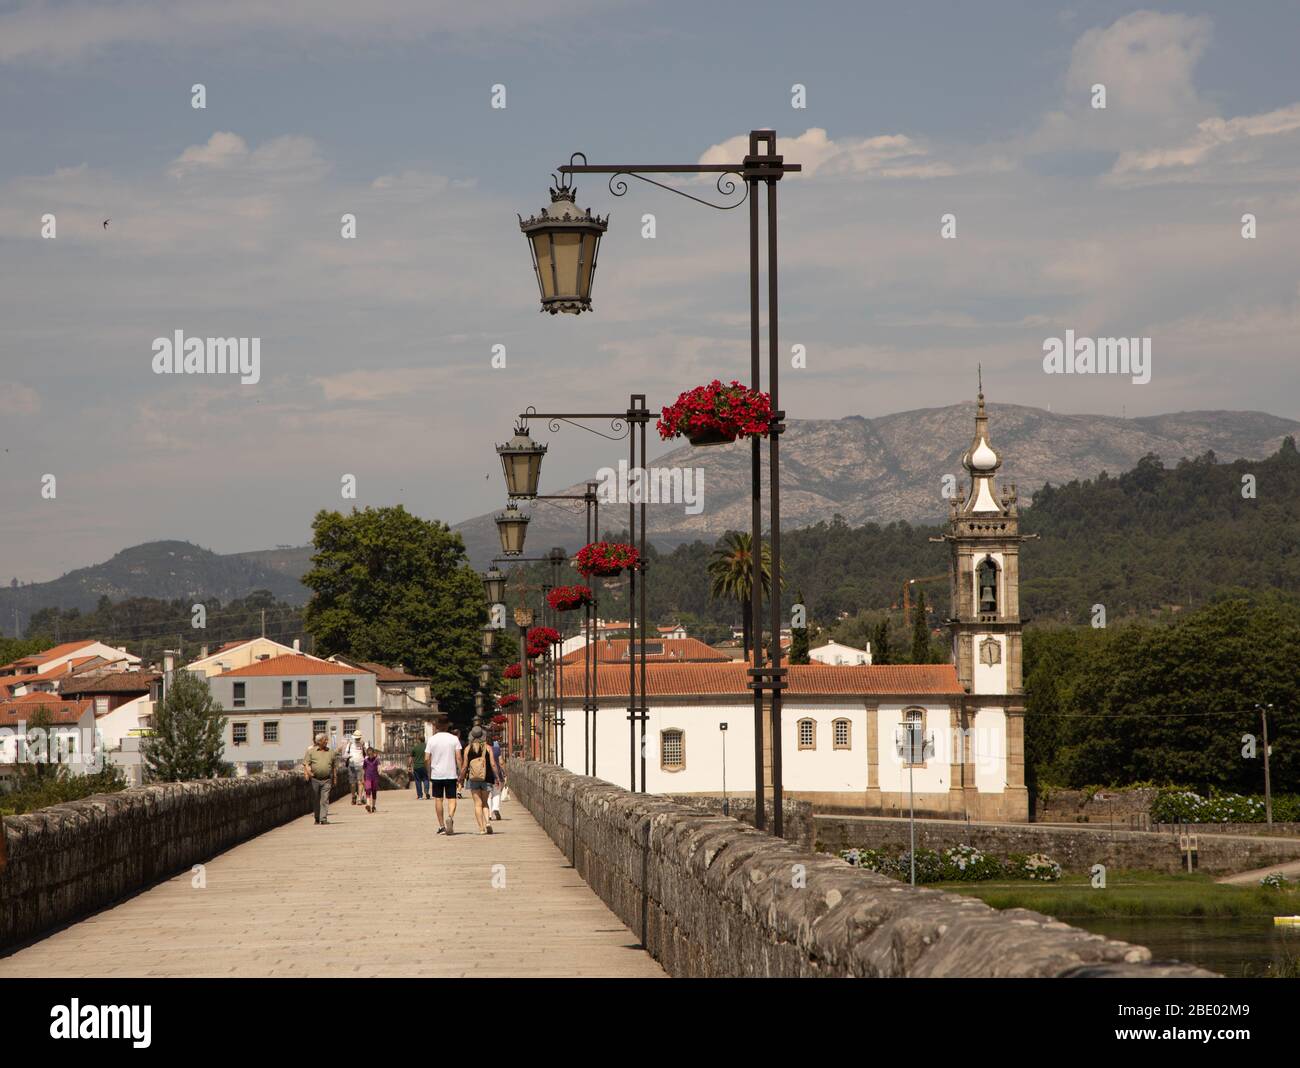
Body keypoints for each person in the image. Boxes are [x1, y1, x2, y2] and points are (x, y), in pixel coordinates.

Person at [460, 726, 500, 835]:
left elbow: (464, 766)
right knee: (485, 803)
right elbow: (493, 764)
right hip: (487, 777)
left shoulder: (468, 748)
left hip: (473, 778)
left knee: (477, 803)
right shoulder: (488, 748)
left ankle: (481, 828)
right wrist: (497, 777)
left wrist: (460, 779)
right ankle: (487, 822)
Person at [425, 717, 462, 835]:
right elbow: (459, 758)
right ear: (447, 726)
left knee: (438, 799)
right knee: (452, 798)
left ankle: (441, 826)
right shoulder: (454, 739)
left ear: (436, 726)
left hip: (437, 774)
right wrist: (461, 772)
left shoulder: (432, 740)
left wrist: (429, 772)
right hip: (451, 773)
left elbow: (426, 758)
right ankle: (450, 817)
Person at [303, 734, 338, 825]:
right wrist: (308, 773)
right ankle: (317, 817)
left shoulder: (331, 752)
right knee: (316, 799)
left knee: (325, 799)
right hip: (315, 779)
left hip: (327, 779)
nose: (327, 741)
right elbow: (306, 763)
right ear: (319, 742)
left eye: (327, 740)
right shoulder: (311, 751)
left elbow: (334, 766)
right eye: (325, 740)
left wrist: (334, 778)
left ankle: (323, 818)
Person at [342, 731, 366, 805]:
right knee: (352, 783)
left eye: (358, 738)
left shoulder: (363, 744)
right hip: (351, 765)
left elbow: (366, 754)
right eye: (356, 738)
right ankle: (353, 796)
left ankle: (359, 798)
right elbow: (344, 755)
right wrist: (348, 756)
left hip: (361, 765)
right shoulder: (350, 744)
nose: (357, 739)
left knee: (360, 782)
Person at [488, 734, 505, 821]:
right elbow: (501, 762)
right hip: (496, 773)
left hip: (486, 774)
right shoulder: (496, 749)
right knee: (497, 793)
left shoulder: (484, 749)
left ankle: (489, 814)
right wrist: (504, 772)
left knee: (488, 795)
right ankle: (496, 808)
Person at [410, 734, 428, 800]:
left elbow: (411, 758)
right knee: (425, 779)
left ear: (418, 740)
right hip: (424, 765)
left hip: (416, 766)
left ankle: (420, 795)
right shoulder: (427, 746)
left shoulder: (415, 747)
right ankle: (426, 791)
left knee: (418, 781)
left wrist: (409, 765)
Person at [363, 746, 380, 813]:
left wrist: (379, 770)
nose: (370, 756)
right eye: (369, 755)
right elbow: (364, 769)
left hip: (375, 778)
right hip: (368, 778)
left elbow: (379, 766)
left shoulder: (376, 760)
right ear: (367, 754)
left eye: (371, 754)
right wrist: (362, 778)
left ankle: (373, 806)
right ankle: (368, 804)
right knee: (368, 791)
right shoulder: (366, 761)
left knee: (374, 792)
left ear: (373, 753)